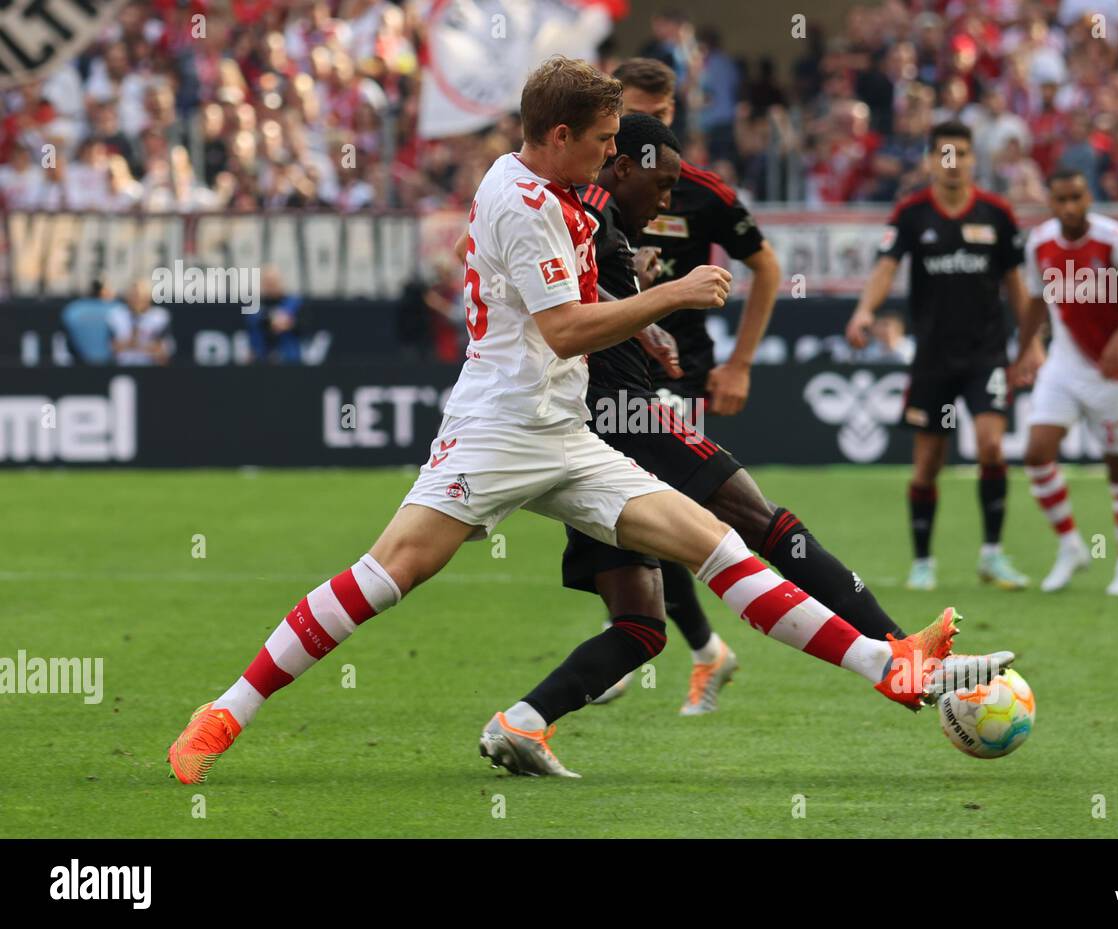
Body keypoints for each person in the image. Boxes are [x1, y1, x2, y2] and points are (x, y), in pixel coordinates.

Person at [166, 58, 981, 784]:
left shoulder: (551, 189)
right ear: (559, 135)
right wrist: (675, 293)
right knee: (385, 576)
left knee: (716, 543)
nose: (610, 155)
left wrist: (642, 317)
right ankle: (224, 711)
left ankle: (887, 665)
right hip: (498, 428)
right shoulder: (521, 202)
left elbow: (570, 311)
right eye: (601, 139)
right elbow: (560, 328)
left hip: (566, 431)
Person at [561, 114, 1001, 719]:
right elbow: (559, 295)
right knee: (746, 523)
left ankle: (522, 723)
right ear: (619, 157)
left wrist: (659, 320)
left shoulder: (598, 202)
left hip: (584, 420)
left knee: (640, 619)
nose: (668, 196)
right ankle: (900, 655)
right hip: (616, 413)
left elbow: (570, 286)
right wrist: (657, 303)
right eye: (658, 179)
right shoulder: (574, 203)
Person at [595, 57, 786, 704]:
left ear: (673, 116)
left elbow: (767, 267)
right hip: (600, 370)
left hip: (676, 370)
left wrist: (741, 363)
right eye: (624, 114)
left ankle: (637, 637)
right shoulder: (580, 188)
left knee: (656, 504)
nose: (638, 127)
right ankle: (697, 646)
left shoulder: (703, 192)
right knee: (631, 511)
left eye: (655, 113)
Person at [845, 121, 1033, 593]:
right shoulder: (911, 214)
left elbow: (1016, 285)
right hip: (933, 358)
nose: (954, 163)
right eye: (944, 154)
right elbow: (886, 268)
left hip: (985, 354)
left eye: (962, 154)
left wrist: (1033, 341)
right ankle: (923, 561)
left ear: (974, 160)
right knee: (928, 461)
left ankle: (992, 554)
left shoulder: (997, 214)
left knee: (991, 445)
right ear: (930, 161)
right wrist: (865, 310)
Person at [1012, 168, 1118, 596]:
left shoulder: (1115, 241)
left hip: (1114, 372)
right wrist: (1022, 351)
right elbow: (1037, 302)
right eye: (1061, 200)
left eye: (1077, 198)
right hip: (1064, 363)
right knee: (1037, 453)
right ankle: (1071, 546)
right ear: (1050, 201)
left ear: (1088, 196)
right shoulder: (1040, 243)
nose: (1069, 208)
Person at [108, 280, 172, 366]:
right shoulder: (116, 315)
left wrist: (134, 344)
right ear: (127, 297)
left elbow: (161, 352)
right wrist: (137, 343)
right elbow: (113, 347)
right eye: (133, 296)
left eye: (140, 296)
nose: (137, 300)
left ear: (148, 297)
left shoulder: (160, 316)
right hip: (122, 367)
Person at [62, 280, 123, 365]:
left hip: (80, 362)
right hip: (107, 363)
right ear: (103, 292)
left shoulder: (73, 309)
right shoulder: (115, 308)